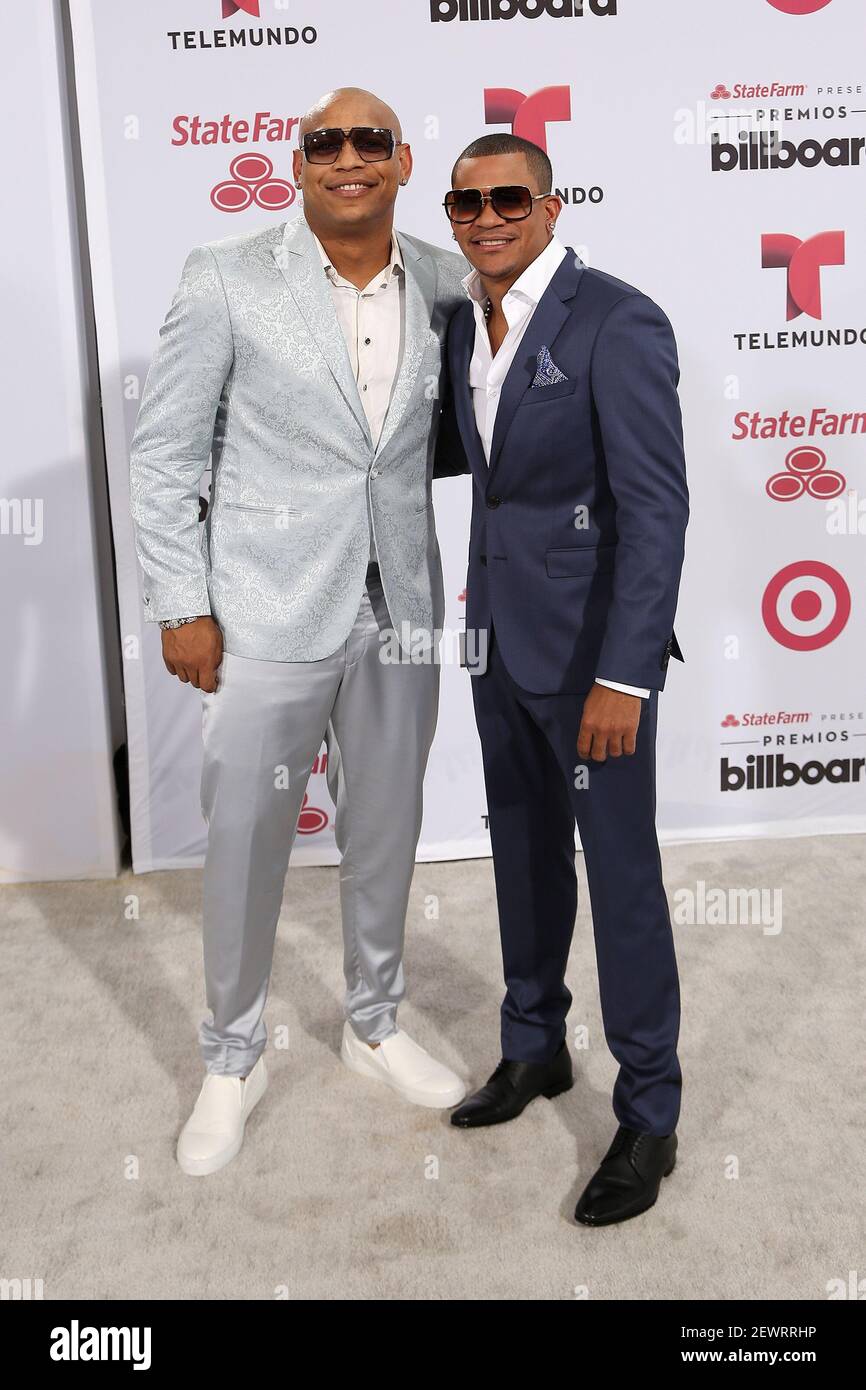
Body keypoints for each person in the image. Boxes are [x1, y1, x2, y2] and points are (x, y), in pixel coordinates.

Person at [129, 88, 469, 1177]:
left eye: (370, 140)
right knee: (243, 842)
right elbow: (165, 456)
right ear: (300, 163)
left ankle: (374, 1022)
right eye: (327, 143)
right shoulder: (225, 277)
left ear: (403, 161)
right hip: (265, 607)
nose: (349, 158)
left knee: (386, 826)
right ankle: (232, 1056)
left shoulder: (445, 277)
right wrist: (184, 602)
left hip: (402, 602)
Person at [436, 133, 689, 1226]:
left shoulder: (616, 320)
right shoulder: (460, 322)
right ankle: (533, 1048)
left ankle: (648, 1113)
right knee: (521, 859)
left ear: (549, 203)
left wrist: (623, 679)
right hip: (494, 639)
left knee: (620, 878)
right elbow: (470, 468)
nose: (485, 217)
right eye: (464, 201)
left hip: (590, 662)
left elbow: (655, 510)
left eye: (506, 198)